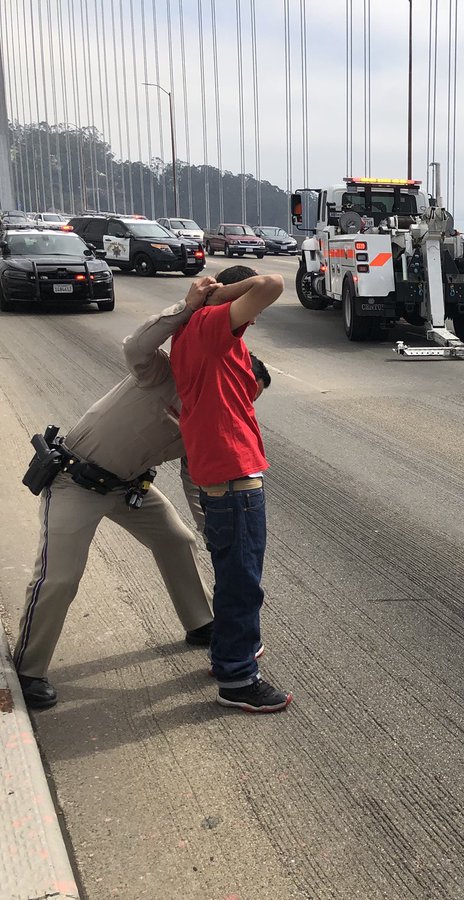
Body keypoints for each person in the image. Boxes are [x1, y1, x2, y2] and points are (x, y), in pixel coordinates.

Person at [12, 276, 269, 710]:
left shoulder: (210, 417)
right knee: (60, 577)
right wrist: (185, 308)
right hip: (76, 480)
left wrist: (218, 538)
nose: (243, 400)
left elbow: (197, 480)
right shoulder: (163, 374)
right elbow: (135, 346)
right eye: (245, 389)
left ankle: (201, 623)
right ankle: (28, 669)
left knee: (177, 539)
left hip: (129, 486)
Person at [170, 265, 291, 714]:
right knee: (242, 581)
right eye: (245, 313)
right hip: (232, 480)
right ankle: (237, 677)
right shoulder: (208, 328)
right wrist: (215, 294)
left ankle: (232, 651)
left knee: (234, 575)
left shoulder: (198, 335)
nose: (252, 319)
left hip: (223, 477)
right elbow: (272, 284)